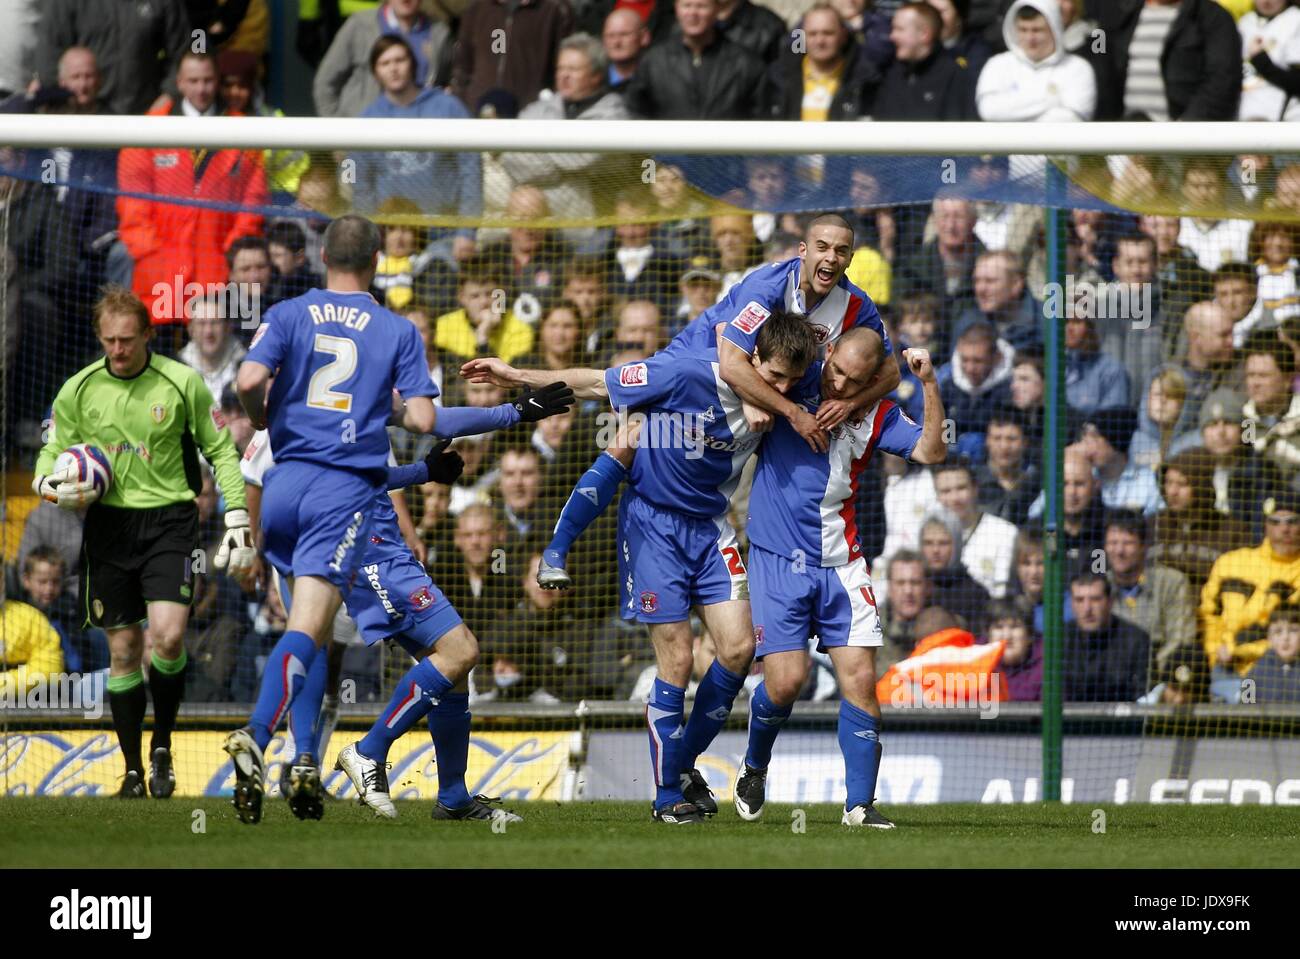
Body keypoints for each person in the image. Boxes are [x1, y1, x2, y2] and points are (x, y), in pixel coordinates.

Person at [463, 310, 821, 824]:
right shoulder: (682, 373)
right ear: (751, 357)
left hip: (711, 526)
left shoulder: (786, 390)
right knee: (675, 660)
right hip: (653, 525)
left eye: (791, 381)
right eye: (773, 376)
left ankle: (682, 764)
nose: (782, 388)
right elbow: (592, 382)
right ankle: (665, 799)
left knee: (740, 649)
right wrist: (518, 376)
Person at [241, 366, 569, 820]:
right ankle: (363, 751)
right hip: (371, 551)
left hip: (381, 544)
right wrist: (514, 412)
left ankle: (452, 796)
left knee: (451, 669)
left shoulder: (329, 401)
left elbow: (377, 469)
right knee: (460, 650)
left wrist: (422, 471)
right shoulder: (322, 403)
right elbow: (438, 421)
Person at [533, 214, 901, 590]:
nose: (831, 258)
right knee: (631, 437)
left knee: (783, 464)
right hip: (704, 370)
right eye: (822, 247)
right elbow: (728, 357)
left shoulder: (857, 305)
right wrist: (778, 407)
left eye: (841, 251)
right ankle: (557, 550)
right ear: (804, 250)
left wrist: (850, 403)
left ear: (850, 258)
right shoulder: (768, 284)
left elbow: (891, 373)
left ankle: (776, 583)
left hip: (775, 382)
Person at [220, 215, 439, 824]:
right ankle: (258, 738)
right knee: (309, 630)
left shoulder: (289, 313)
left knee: (305, 629)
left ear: (321, 254)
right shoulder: (396, 329)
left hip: (283, 481)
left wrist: (261, 417)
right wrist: (397, 406)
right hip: (338, 491)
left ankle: (300, 757)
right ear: (376, 257)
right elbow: (422, 421)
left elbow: (247, 379)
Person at [31, 286, 254, 798]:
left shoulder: (181, 383)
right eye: (108, 340)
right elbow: (52, 451)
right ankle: (133, 769)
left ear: (149, 335)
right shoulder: (79, 389)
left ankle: (164, 746)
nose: (117, 350)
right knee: (126, 650)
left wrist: (237, 511)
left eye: (127, 339)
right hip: (109, 527)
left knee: (169, 637)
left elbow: (221, 450)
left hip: (170, 522)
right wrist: (46, 483)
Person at [734, 333, 946, 827]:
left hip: (842, 564)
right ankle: (755, 763)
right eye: (837, 369)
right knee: (786, 684)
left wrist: (930, 383)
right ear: (827, 354)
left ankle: (859, 806)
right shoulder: (794, 381)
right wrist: (753, 402)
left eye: (854, 378)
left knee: (861, 682)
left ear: (873, 380)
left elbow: (934, 452)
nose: (839, 381)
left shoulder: (879, 416)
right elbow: (738, 364)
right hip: (777, 560)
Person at [115, 51, 268, 343]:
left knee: (219, 358)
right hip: (158, 273)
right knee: (156, 359)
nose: (201, 88)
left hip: (220, 272)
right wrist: (160, 260)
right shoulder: (147, 130)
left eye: (208, 80)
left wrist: (229, 260)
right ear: (180, 83)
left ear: (218, 81)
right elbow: (133, 211)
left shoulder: (244, 130)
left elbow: (253, 205)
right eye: (194, 80)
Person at [1201, 490, 1300, 698]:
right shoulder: (1231, 562)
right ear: (1265, 524)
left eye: (1292, 521)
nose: (1284, 529)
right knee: (1236, 721)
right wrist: (1215, 653)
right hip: (1227, 671)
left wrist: (1237, 651)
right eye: (1275, 521)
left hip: (1281, 672)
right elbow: (1209, 616)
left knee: (1265, 719)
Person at [33, 0, 191, 116]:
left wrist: (169, 94)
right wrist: (70, 102)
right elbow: (49, 62)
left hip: (144, 117)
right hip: (84, 120)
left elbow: (183, 53)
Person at [1093, 0, 1241, 121]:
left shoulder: (1213, 17)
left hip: (1184, 145)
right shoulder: (1122, 15)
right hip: (1127, 141)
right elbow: (1104, 73)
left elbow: (1223, 80)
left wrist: (1184, 131)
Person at [623, 0, 766, 120]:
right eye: (687, 5)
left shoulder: (745, 63)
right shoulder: (653, 61)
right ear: (676, 9)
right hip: (669, 151)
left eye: (701, 6)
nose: (693, 13)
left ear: (717, 10)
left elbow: (761, 116)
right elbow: (635, 112)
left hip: (727, 151)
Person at [313, 0, 453, 118]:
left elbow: (448, 84)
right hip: (361, 138)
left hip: (419, 138)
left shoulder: (439, 33)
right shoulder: (360, 25)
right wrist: (338, 133)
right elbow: (325, 83)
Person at [1103, 509, 1197, 668]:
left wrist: (1147, 670)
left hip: (1158, 674)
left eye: (1128, 543)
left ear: (1143, 547)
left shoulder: (1172, 582)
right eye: (1113, 543)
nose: (1119, 551)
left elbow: (1181, 638)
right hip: (1109, 677)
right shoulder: (1100, 586)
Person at [452, 0, 575, 111]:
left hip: (530, 114)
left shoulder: (556, 9)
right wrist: (462, 100)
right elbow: (462, 63)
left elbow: (565, 66)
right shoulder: (478, 7)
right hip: (477, 112)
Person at [869, 2, 978, 120]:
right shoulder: (892, 74)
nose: (892, 36)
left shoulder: (955, 77)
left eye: (900, 29)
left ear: (924, 34)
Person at [1063, 570, 1152, 702]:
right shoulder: (1060, 639)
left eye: (1095, 599)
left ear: (1110, 602)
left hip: (1122, 720)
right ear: (1071, 604)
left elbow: (1142, 696)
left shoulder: (1136, 640)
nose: (1087, 609)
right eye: (1079, 600)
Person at [985, 600, 1042, 702]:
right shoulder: (973, 663)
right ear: (988, 635)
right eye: (999, 627)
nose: (1006, 636)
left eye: (1015, 627)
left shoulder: (1046, 669)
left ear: (1030, 636)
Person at [1246, 605, 1300, 703]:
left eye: (1293, 630)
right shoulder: (1255, 673)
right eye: (1278, 632)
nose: (1285, 637)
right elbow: (1243, 709)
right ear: (1269, 638)